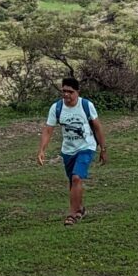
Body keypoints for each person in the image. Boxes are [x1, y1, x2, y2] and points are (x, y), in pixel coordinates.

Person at [36, 76, 105, 225]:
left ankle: (72, 215)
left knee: (76, 178)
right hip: (68, 150)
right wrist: (42, 150)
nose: (66, 95)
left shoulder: (86, 105)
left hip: (86, 147)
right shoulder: (57, 108)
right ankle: (80, 209)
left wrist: (103, 148)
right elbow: (48, 130)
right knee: (72, 181)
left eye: (70, 92)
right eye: (64, 91)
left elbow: (98, 127)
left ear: (77, 92)